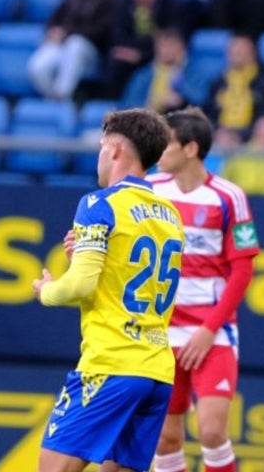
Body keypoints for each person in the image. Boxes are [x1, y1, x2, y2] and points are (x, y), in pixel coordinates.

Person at [31, 108, 185, 472]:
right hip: (157, 372)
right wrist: (83, 256)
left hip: (112, 364)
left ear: (115, 150)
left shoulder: (99, 204)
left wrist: (47, 290)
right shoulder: (170, 214)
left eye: (102, 147)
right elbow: (123, 277)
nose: (99, 156)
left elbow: (80, 285)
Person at [148, 107, 260, 472]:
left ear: (191, 149)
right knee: (165, 437)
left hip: (211, 332)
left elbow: (243, 270)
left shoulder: (229, 196)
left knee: (211, 431)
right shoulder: (148, 192)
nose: (158, 152)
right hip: (159, 332)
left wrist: (209, 330)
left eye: (166, 144)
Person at [28, 0, 118, 101]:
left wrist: (67, 33)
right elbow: (55, 17)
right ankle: (55, 100)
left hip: (91, 53)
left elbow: (101, 31)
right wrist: (53, 31)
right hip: (63, 44)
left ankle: (62, 94)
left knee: (76, 44)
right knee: (39, 67)